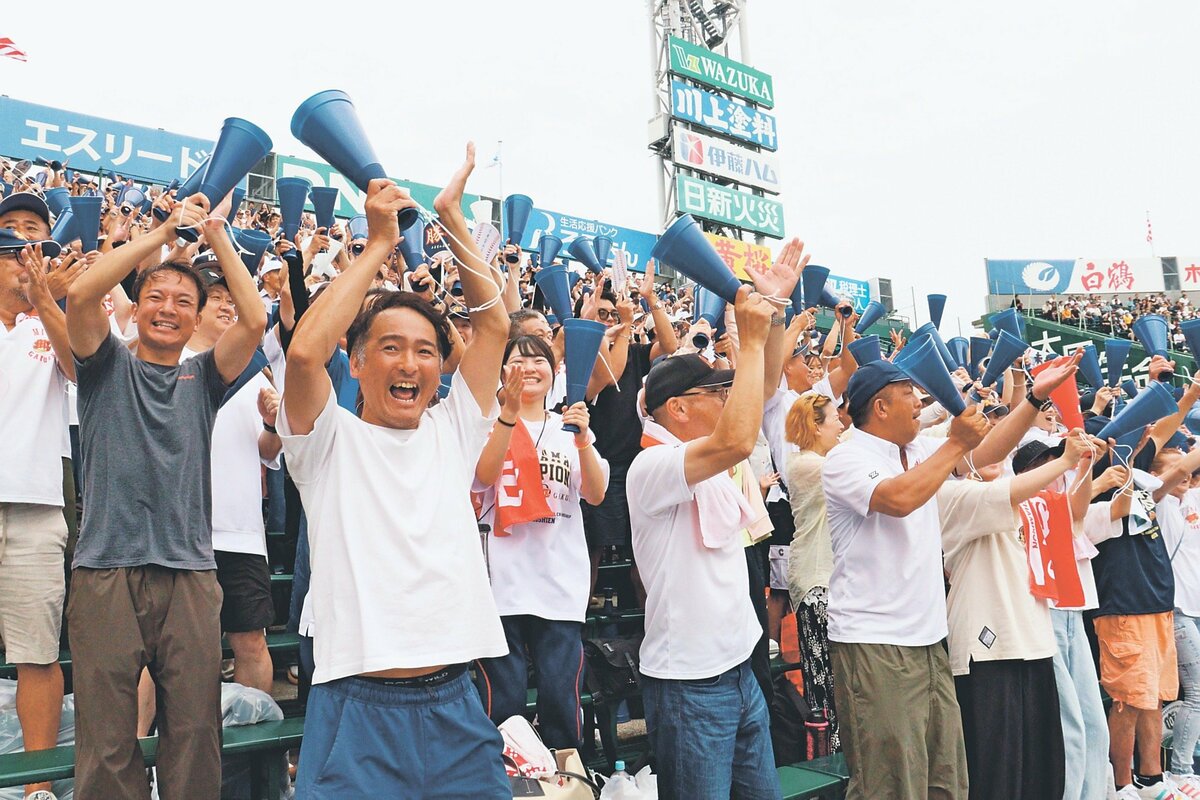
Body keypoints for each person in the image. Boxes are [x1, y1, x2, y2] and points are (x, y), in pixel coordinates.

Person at [278, 147, 513, 797]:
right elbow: (302, 355)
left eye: (424, 351)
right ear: (355, 364)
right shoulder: (328, 444)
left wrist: (451, 218)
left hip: (457, 708)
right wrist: (379, 243)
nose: (409, 363)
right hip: (357, 712)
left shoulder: (453, 430)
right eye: (389, 348)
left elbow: (494, 325)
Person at [64, 197, 266, 799]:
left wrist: (217, 237)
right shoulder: (104, 365)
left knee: (196, 731)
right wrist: (158, 233)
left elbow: (253, 322)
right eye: (155, 297)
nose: (168, 309)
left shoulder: (203, 377)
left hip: (190, 574)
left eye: (184, 301)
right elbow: (80, 297)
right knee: (106, 738)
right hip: (106, 569)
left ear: (200, 316)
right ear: (135, 305)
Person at [821, 352, 1081, 800]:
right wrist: (955, 446)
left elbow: (989, 450)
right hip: (874, 638)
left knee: (946, 774)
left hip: (927, 636)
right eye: (909, 394)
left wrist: (1035, 398)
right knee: (891, 777)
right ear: (880, 407)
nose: (920, 403)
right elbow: (899, 498)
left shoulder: (920, 450)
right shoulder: (847, 457)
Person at [627, 238, 803, 800]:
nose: (729, 399)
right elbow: (738, 438)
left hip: (737, 668)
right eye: (714, 391)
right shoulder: (652, 465)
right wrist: (748, 340)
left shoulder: (700, 453)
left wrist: (771, 311)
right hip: (689, 686)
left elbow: (764, 386)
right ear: (676, 408)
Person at [473, 335, 610, 748]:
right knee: (503, 706)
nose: (530, 367)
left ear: (554, 373)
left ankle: (564, 782)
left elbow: (597, 492)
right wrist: (508, 417)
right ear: (502, 370)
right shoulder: (488, 422)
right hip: (503, 585)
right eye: (519, 359)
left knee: (560, 701)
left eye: (540, 360)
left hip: (559, 583)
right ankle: (503, 783)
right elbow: (482, 476)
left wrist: (583, 438)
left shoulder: (569, 429)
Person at [0, 228, 74, 800]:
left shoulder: (48, 326)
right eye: (13, 256)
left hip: (36, 506)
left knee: (38, 652)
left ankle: (38, 787)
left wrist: (48, 299)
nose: (28, 264)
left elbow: (80, 370)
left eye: (34, 254)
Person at [582, 258, 678, 600]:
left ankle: (648, 630)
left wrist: (651, 300)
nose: (609, 320)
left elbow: (671, 346)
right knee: (591, 553)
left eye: (613, 314)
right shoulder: (587, 354)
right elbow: (609, 374)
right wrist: (618, 324)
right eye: (601, 314)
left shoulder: (637, 352)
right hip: (599, 466)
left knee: (643, 553)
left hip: (637, 466)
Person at [782, 392, 843, 749]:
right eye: (834, 418)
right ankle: (829, 762)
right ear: (815, 426)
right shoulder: (805, 465)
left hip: (832, 580)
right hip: (816, 583)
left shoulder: (825, 459)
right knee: (826, 688)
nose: (841, 424)